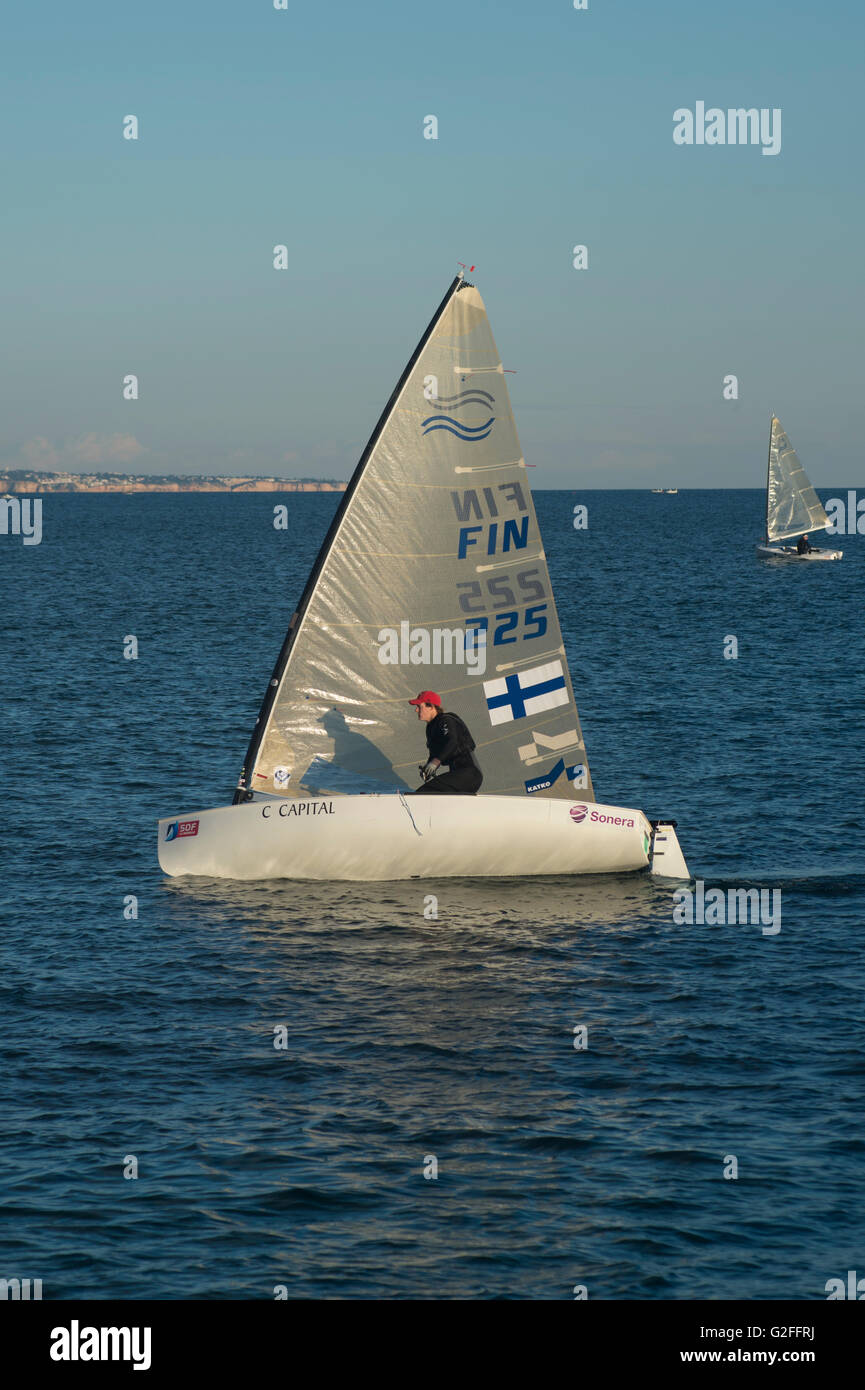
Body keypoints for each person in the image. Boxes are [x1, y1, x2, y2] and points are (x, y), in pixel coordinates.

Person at [408, 691, 483, 795]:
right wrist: (428, 767)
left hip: (469, 774)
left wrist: (435, 762)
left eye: (419, 706)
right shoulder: (431, 727)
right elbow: (435, 754)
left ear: (431, 707)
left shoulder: (445, 720)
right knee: (429, 792)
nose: (416, 710)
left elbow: (452, 741)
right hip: (460, 775)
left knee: (423, 793)